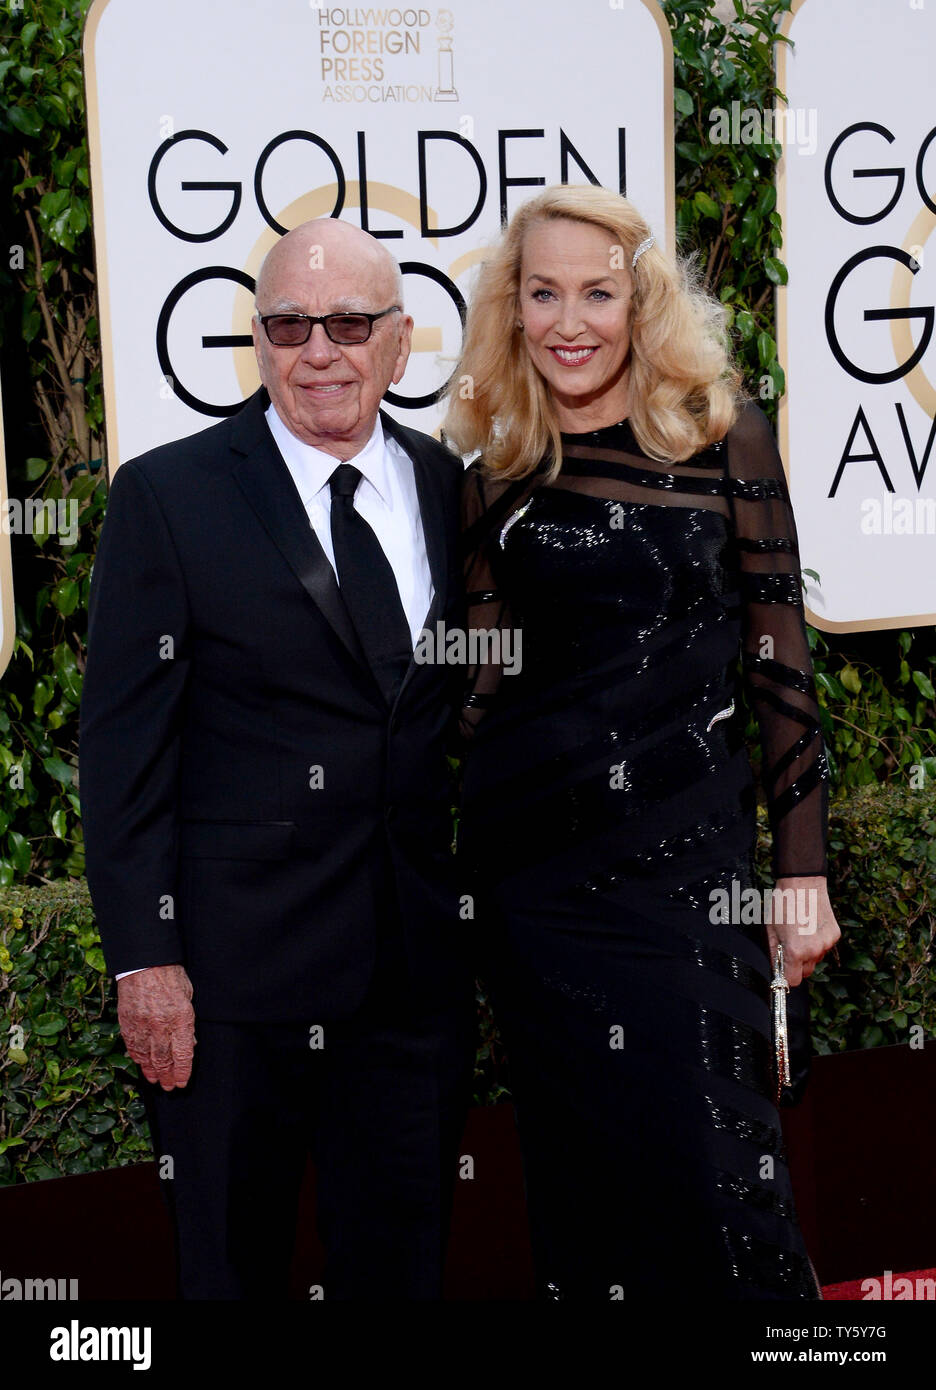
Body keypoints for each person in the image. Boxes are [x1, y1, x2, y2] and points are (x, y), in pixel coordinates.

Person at [444, 184, 841, 1300]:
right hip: (541, 895)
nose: (571, 321)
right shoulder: (494, 469)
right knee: (591, 1198)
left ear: (640, 303)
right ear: (513, 311)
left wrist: (800, 870)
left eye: (598, 293)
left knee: (726, 1181)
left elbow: (779, 661)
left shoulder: (719, 433)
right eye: (544, 293)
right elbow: (478, 691)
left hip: (688, 887)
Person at [79, 217, 476, 1300]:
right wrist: (143, 960)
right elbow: (121, 756)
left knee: (401, 1268)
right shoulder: (170, 496)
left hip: (409, 979)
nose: (319, 350)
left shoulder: (452, 490)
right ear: (257, 339)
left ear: (399, 342)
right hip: (231, 985)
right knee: (231, 1273)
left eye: (349, 323)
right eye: (289, 324)